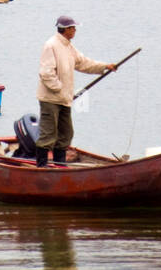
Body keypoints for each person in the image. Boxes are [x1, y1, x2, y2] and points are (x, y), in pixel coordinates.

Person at [36, 15, 116, 167]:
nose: (75, 30)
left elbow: (84, 63)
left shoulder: (68, 47)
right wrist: (59, 88)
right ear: (65, 29)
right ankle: (41, 166)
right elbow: (46, 73)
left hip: (64, 99)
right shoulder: (51, 45)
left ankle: (59, 165)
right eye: (73, 28)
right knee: (48, 134)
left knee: (66, 134)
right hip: (50, 99)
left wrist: (105, 66)